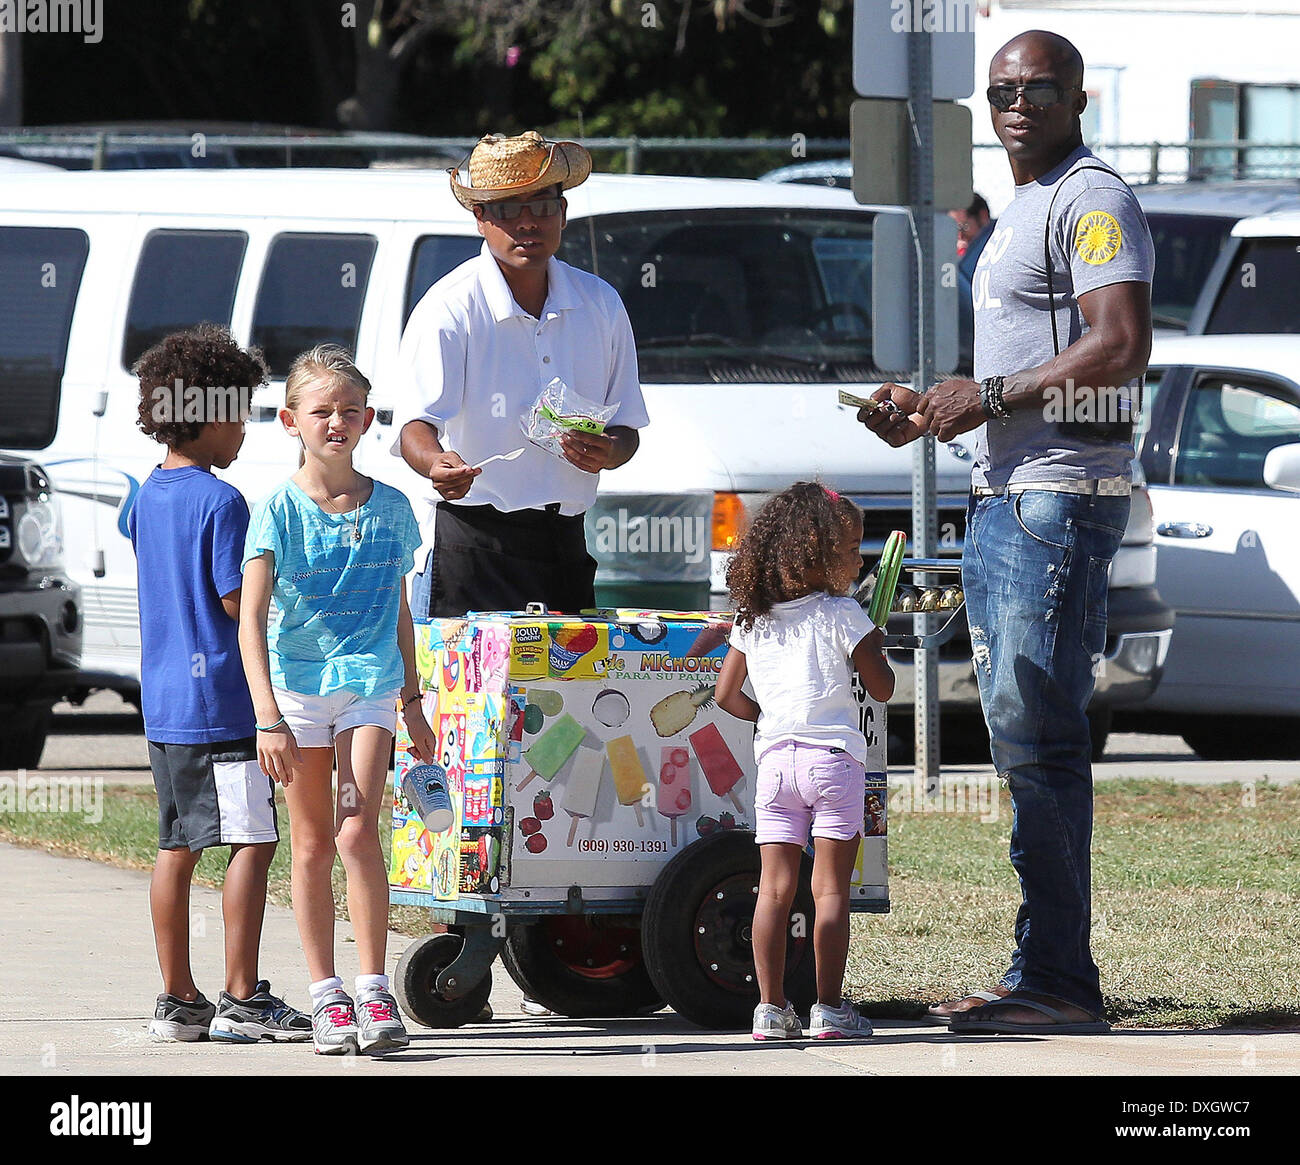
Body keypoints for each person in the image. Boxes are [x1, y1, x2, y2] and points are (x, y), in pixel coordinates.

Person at [860, 30, 1153, 1035]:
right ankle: (1045, 969)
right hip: (1008, 494)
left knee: (1040, 740)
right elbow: (1017, 371)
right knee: (1026, 740)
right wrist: (928, 405)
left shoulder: (1091, 196)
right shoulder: (1023, 209)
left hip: (1058, 496)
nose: (1015, 104)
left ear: (1076, 97)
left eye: (1036, 89)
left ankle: (1058, 982)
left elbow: (1118, 344)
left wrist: (985, 395)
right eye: (1000, 91)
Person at [240, 345, 436, 1055]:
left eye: (349, 410)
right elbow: (251, 620)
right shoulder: (276, 513)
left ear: (368, 418)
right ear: (291, 419)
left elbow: (401, 610)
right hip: (296, 692)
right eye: (321, 411)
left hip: (371, 687)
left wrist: (413, 701)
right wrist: (266, 715)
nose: (336, 422)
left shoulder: (394, 508)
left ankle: (373, 986)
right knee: (314, 841)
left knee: (357, 830)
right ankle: (327, 995)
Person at [128, 325, 310, 1044]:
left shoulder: (147, 495)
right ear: (202, 415)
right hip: (225, 705)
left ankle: (177, 998)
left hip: (167, 705)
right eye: (239, 412)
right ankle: (241, 995)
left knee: (177, 844)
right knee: (253, 840)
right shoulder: (222, 502)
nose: (244, 428)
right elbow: (238, 603)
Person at [394, 130, 649, 618]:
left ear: (564, 213)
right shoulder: (450, 307)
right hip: (472, 544)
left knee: (567, 695)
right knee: (465, 698)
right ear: (481, 218)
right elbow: (415, 426)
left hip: (565, 545)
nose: (527, 223)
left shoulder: (601, 305)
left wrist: (609, 451)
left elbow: (627, 427)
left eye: (542, 205)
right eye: (508, 209)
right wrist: (436, 464)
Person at [715, 483, 895, 1041]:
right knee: (830, 892)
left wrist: (769, 716)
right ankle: (830, 1009)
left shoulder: (753, 618)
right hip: (835, 762)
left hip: (774, 763)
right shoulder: (843, 613)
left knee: (771, 890)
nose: (858, 559)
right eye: (850, 549)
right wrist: (876, 644)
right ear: (817, 554)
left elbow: (725, 696)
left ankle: (770, 1010)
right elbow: (882, 689)